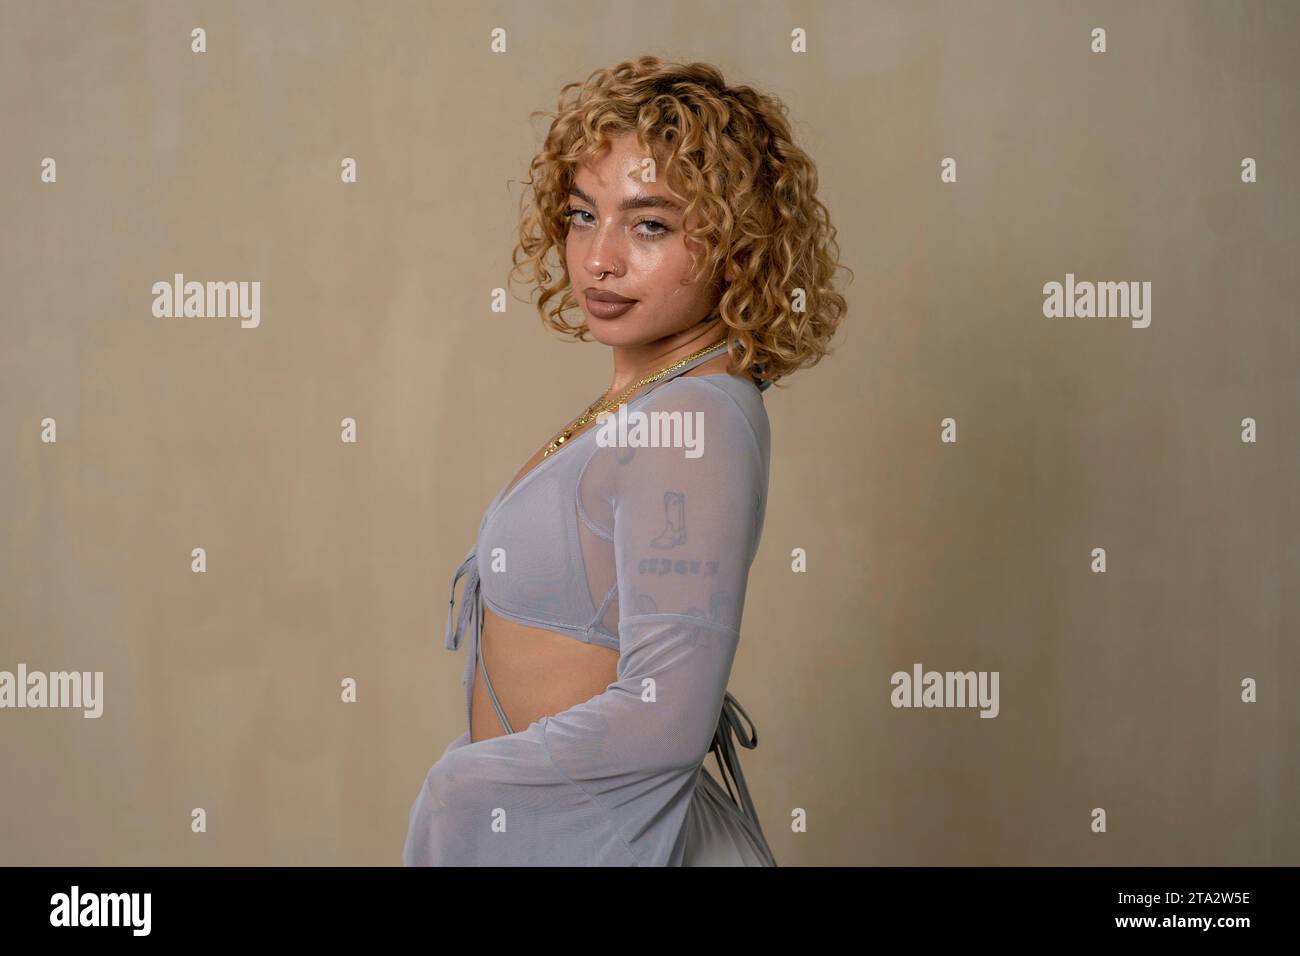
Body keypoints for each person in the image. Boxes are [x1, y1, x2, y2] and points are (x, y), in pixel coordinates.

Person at [404, 55, 848, 866]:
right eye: (582, 214)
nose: (599, 259)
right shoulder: (654, 399)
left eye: (651, 225)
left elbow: (666, 715)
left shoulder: (691, 418)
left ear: (739, 244)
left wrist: (458, 792)